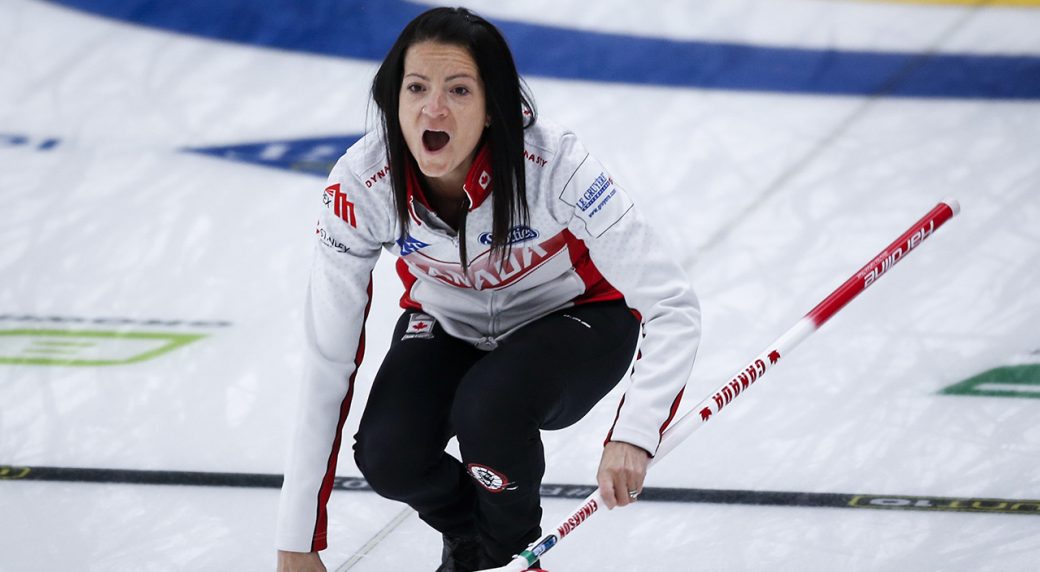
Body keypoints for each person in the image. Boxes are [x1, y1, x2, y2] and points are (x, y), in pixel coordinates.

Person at [276, 7, 700, 571]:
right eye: (417, 88)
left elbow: (672, 305)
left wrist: (636, 433)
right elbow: (329, 357)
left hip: (580, 318)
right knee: (388, 454)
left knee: (489, 406)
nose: (433, 108)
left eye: (459, 90)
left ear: (494, 108)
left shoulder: (556, 164)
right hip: (451, 324)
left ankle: (503, 557)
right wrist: (296, 541)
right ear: (393, 101)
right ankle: (480, 545)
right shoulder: (361, 186)